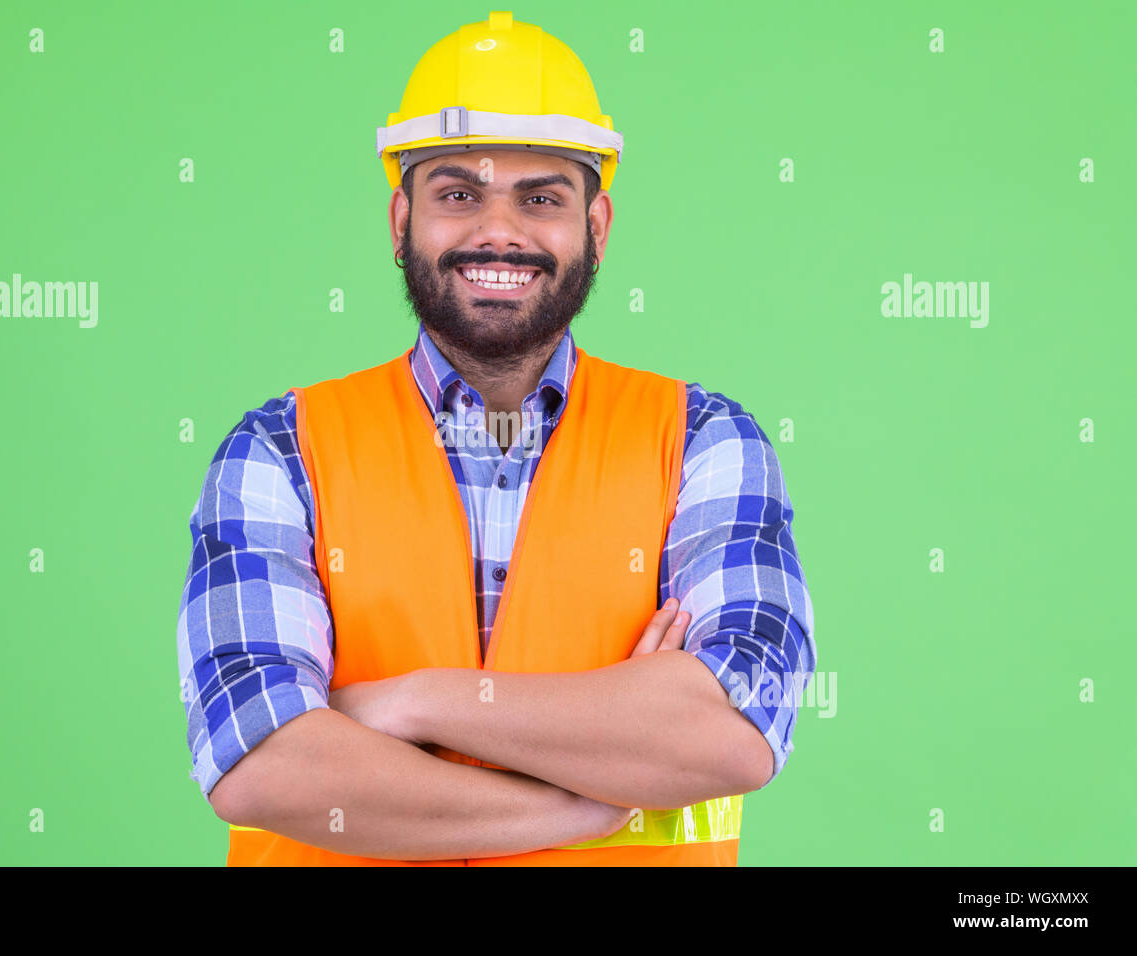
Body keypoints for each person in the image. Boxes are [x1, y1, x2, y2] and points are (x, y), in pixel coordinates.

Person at [176, 10, 815, 866]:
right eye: (459, 194)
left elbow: (736, 729)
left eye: (542, 197)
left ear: (598, 226)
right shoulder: (280, 453)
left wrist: (412, 702)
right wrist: (589, 803)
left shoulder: (703, 443)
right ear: (401, 219)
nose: (499, 232)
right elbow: (262, 763)